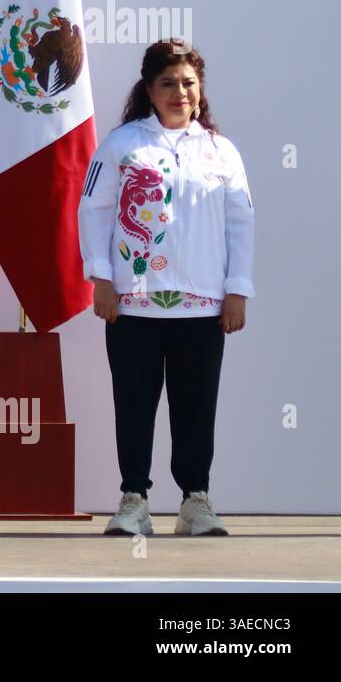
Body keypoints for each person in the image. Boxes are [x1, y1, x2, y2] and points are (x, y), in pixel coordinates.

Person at [78, 39, 253, 537]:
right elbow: (91, 212)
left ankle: (195, 501)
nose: (180, 92)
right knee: (133, 404)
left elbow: (242, 221)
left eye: (189, 83)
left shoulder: (222, 151)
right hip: (133, 304)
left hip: (202, 306)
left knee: (196, 407)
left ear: (200, 89)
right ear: (149, 90)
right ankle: (134, 499)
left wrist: (236, 290)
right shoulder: (122, 145)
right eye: (168, 83)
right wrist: (102, 278)